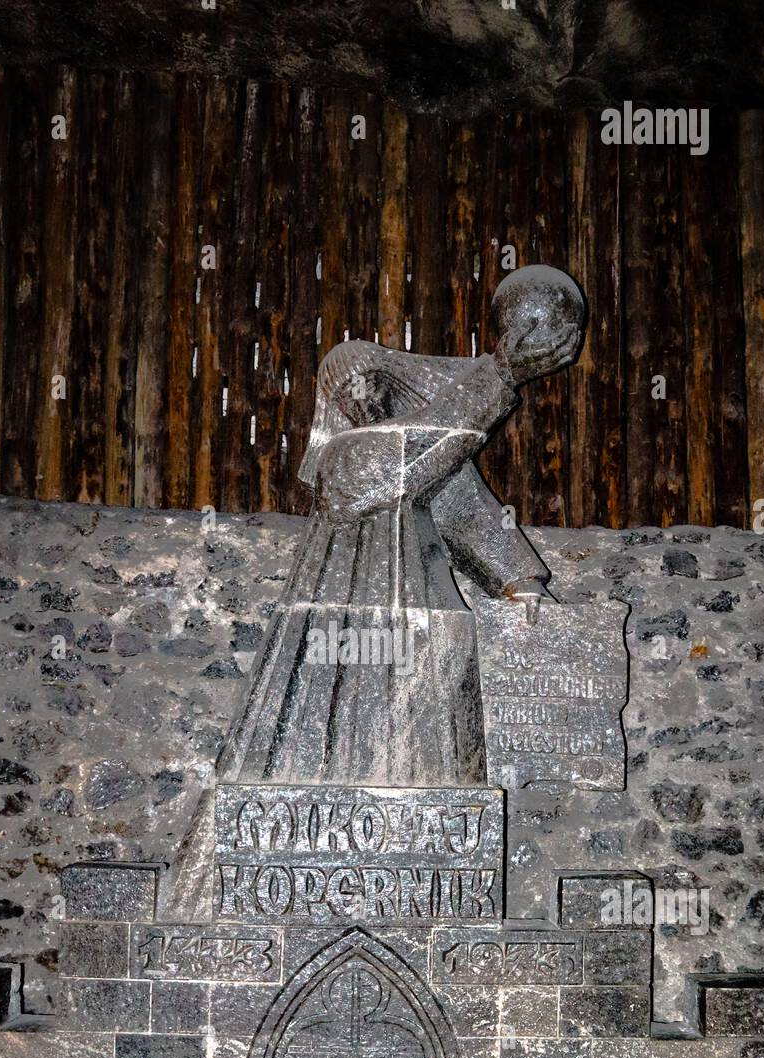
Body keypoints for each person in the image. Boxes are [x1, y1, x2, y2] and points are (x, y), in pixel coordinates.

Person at [216, 265, 585, 788]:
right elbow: (402, 461)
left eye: (378, 384)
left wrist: (521, 586)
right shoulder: (343, 460)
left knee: (439, 747)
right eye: (357, 386)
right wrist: (501, 372)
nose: (368, 399)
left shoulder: (424, 465)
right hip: (349, 633)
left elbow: (459, 500)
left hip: (430, 622)